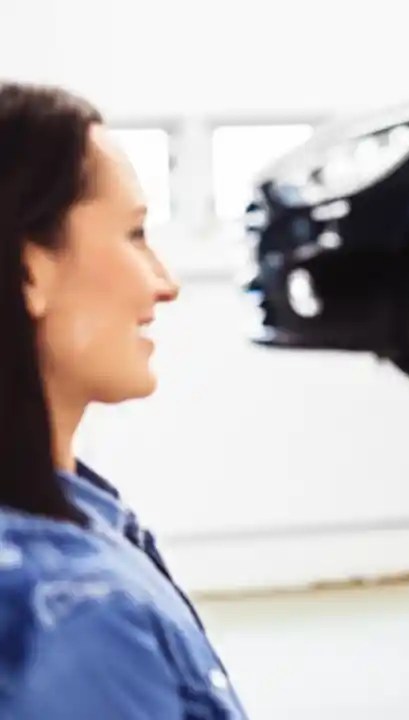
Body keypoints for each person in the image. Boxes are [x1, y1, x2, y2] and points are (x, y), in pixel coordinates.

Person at [0, 82, 250, 718]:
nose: (163, 284)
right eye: (135, 234)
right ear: (32, 271)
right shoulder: (77, 612)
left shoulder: (85, 521)